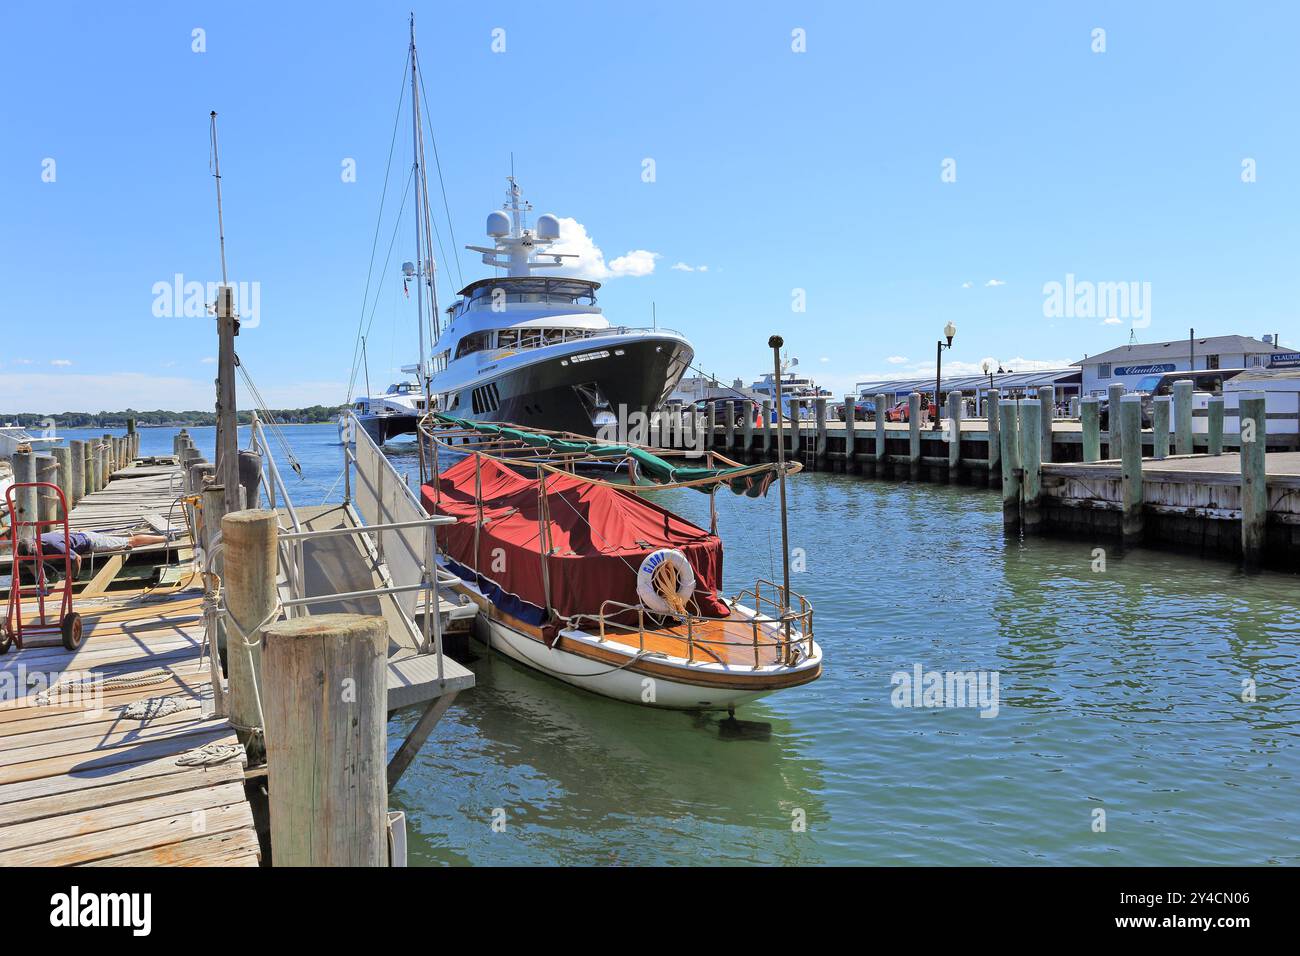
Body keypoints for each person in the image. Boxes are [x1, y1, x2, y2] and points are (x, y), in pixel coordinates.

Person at [17, 530, 169, 579]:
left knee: (129, 541)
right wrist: (41, 584)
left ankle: (165, 537)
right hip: (76, 536)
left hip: (90, 542)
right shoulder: (27, 546)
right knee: (125, 540)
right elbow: (34, 566)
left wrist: (74, 578)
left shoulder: (53, 546)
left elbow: (77, 559)